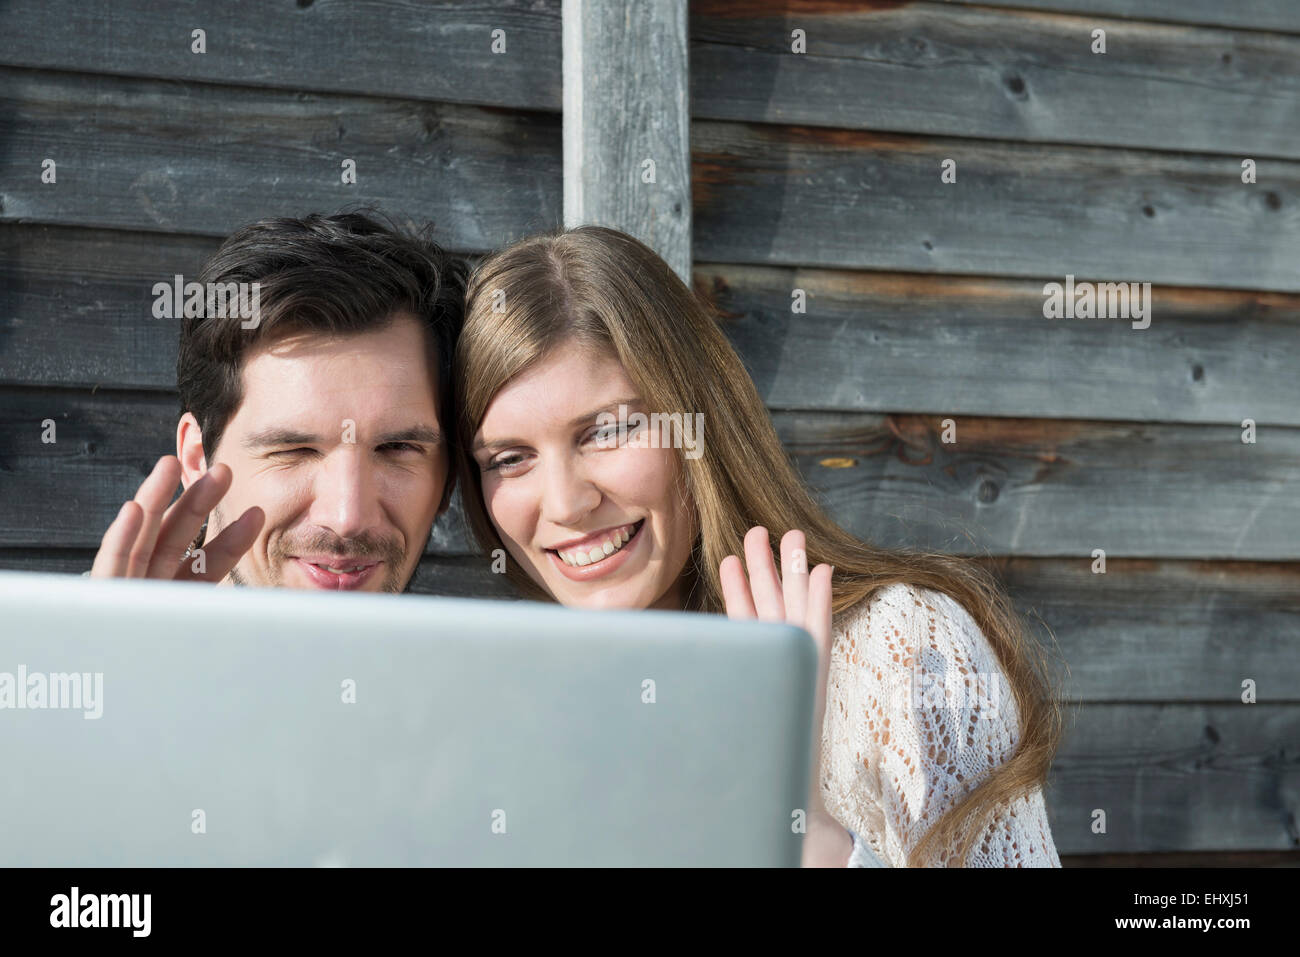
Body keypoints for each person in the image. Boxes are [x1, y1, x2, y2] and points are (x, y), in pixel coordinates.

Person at [454, 225, 1067, 867]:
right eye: (510, 458)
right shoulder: (525, 725)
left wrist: (797, 821)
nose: (565, 504)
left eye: (609, 430)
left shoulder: (902, 648)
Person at [90, 210, 467, 592]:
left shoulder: (489, 652)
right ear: (197, 458)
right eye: (294, 450)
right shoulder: (54, 650)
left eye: (397, 448)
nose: (346, 518)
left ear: (448, 477)